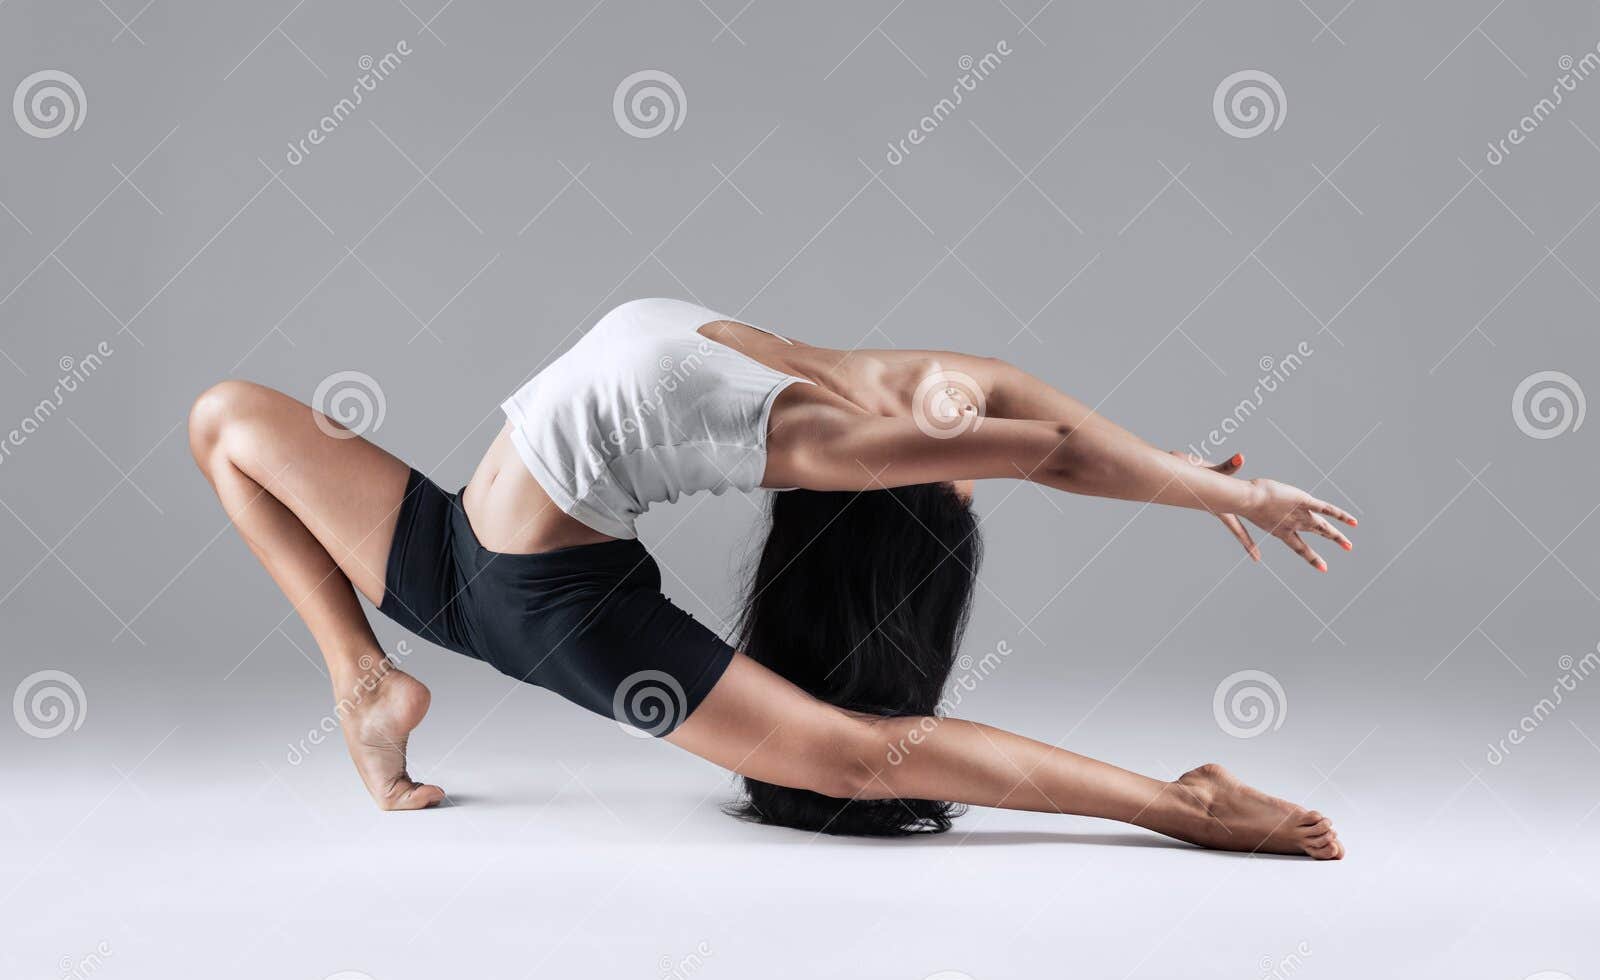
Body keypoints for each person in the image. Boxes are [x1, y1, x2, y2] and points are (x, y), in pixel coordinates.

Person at [188, 298, 1351, 856]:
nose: (970, 466)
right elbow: (1030, 418)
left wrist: (1211, 491)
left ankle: (1184, 806)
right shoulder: (852, 393)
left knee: (858, 755)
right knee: (224, 421)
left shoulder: (832, 432)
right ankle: (360, 678)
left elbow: (1035, 441)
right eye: (963, 481)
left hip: (549, 609)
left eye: (956, 479)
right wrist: (1213, 483)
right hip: (450, 554)